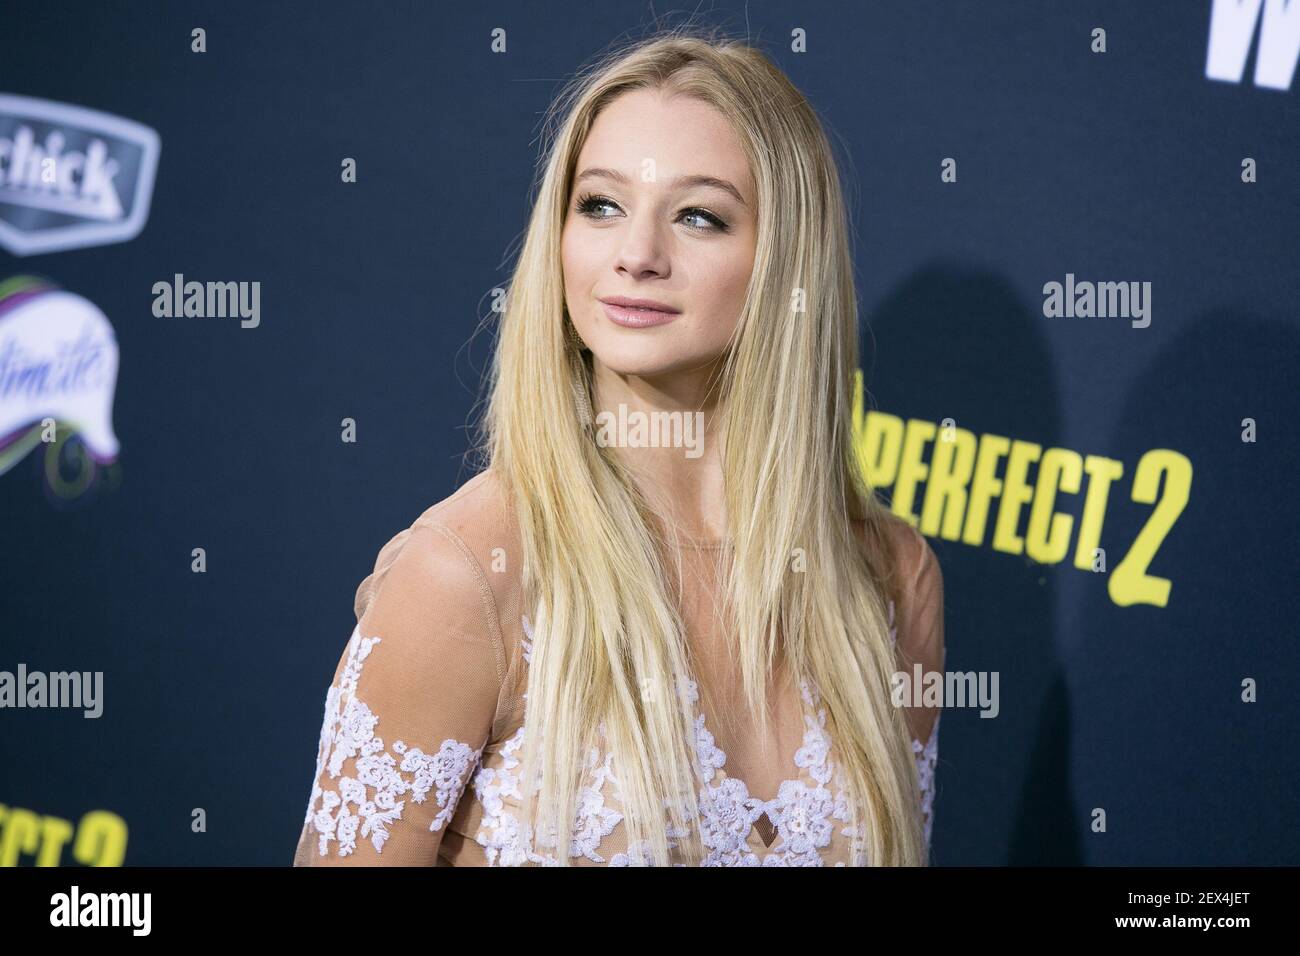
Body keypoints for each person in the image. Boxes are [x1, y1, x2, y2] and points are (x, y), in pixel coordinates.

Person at [292, 27, 945, 867]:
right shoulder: (468, 573)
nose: (637, 256)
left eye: (700, 217)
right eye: (599, 205)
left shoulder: (889, 580)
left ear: (784, 265)